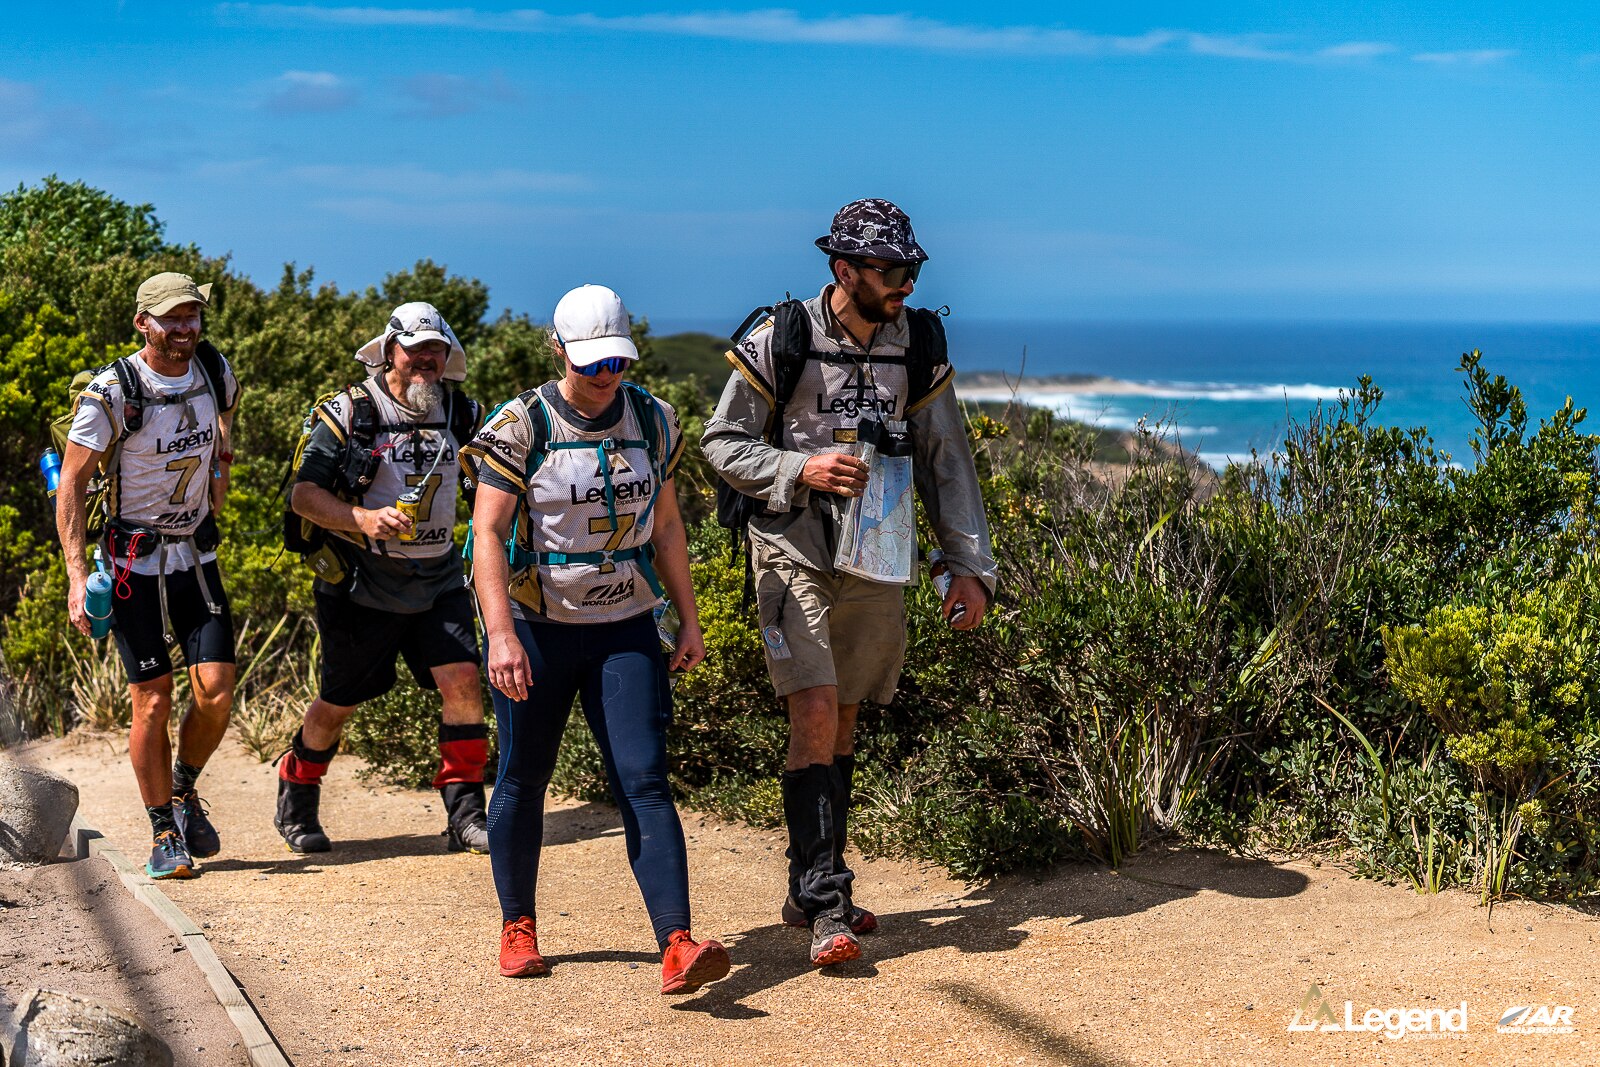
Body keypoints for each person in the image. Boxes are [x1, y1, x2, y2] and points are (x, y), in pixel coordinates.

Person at [701, 199, 997, 966]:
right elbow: (720, 442)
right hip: (791, 546)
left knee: (846, 718)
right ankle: (830, 901)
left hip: (879, 552)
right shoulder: (783, 337)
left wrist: (970, 566)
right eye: (891, 270)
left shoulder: (917, 341)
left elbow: (946, 459)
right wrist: (801, 467)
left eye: (912, 269)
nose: (905, 282)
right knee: (816, 707)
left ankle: (808, 884)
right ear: (844, 270)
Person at [463, 283, 730, 994]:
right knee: (523, 775)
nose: (605, 378)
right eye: (590, 366)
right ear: (558, 352)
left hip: (626, 629)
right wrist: (500, 635)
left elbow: (667, 525)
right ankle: (517, 926)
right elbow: (487, 533)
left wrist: (689, 618)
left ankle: (677, 941)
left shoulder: (653, 418)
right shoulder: (521, 425)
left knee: (644, 779)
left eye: (616, 363)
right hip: (538, 631)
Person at [276, 302, 490, 855]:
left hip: (439, 577)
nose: (426, 360)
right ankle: (297, 786)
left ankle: (467, 813)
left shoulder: (464, 414)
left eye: (436, 351)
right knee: (340, 701)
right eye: (416, 350)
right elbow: (302, 495)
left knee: (464, 682)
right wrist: (363, 519)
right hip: (360, 583)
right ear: (389, 351)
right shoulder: (348, 413)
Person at [57, 272, 241, 879]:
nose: (185, 327)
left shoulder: (214, 370)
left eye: (192, 316)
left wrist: (222, 466)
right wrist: (76, 576)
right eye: (171, 318)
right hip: (134, 563)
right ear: (143, 322)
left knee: (215, 693)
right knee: (153, 702)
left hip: (196, 556)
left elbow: (225, 419)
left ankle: (184, 791)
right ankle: (164, 833)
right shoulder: (114, 391)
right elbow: (73, 487)